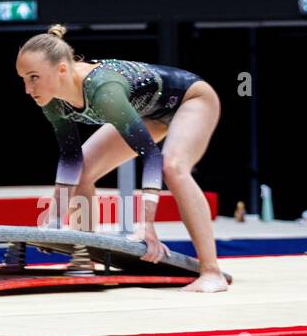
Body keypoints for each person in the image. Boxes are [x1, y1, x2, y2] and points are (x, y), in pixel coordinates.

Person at [15, 25, 228, 293]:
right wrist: (57, 217)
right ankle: (84, 259)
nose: (27, 88)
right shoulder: (52, 101)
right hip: (151, 112)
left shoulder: (104, 91)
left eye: (33, 77)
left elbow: (150, 155)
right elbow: (71, 156)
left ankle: (212, 271)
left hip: (191, 99)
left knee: (172, 167)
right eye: (23, 78)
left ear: (61, 70)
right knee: (83, 172)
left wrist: (146, 226)